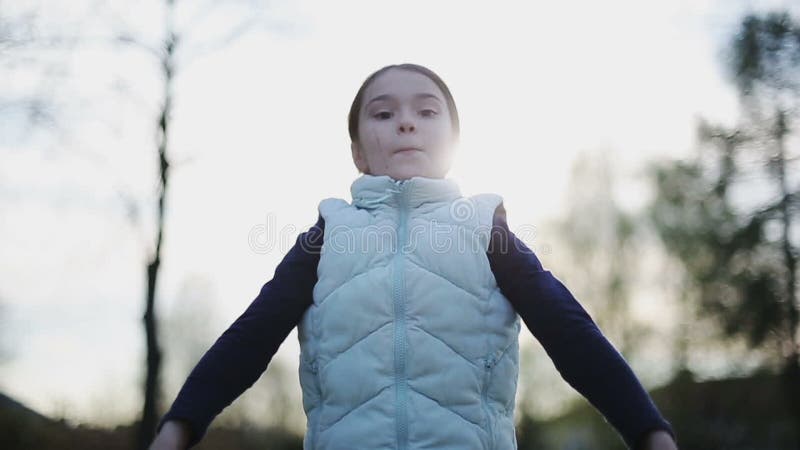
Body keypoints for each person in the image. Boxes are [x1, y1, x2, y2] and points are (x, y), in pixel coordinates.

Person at [149, 63, 678, 450]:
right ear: (358, 150)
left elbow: (571, 332)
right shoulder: (326, 237)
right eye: (383, 113)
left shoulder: (485, 231)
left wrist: (650, 432)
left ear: (452, 139)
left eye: (427, 111)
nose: (407, 122)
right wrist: (180, 426)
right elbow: (250, 336)